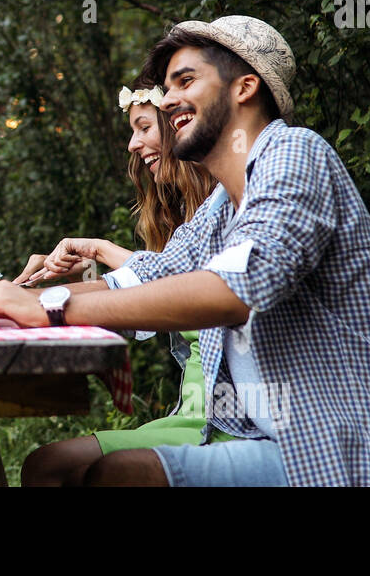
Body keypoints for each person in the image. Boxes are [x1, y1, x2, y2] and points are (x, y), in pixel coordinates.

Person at [0, 16, 370, 486]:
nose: (166, 100)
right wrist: (8, 296)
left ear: (245, 87)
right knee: (67, 471)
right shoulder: (222, 204)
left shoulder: (296, 153)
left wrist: (53, 311)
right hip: (279, 446)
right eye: (166, 87)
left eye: (185, 80)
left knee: (123, 477)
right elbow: (151, 273)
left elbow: (235, 291)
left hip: (355, 454)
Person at [11, 82, 225, 486]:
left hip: (226, 423)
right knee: (46, 465)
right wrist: (79, 266)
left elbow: (167, 283)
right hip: (195, 416)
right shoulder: (193, 222)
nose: (132, 144)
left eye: (144, 127)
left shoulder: (239, 200)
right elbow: (155, 276)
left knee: (58, 467)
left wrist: (34, 298)